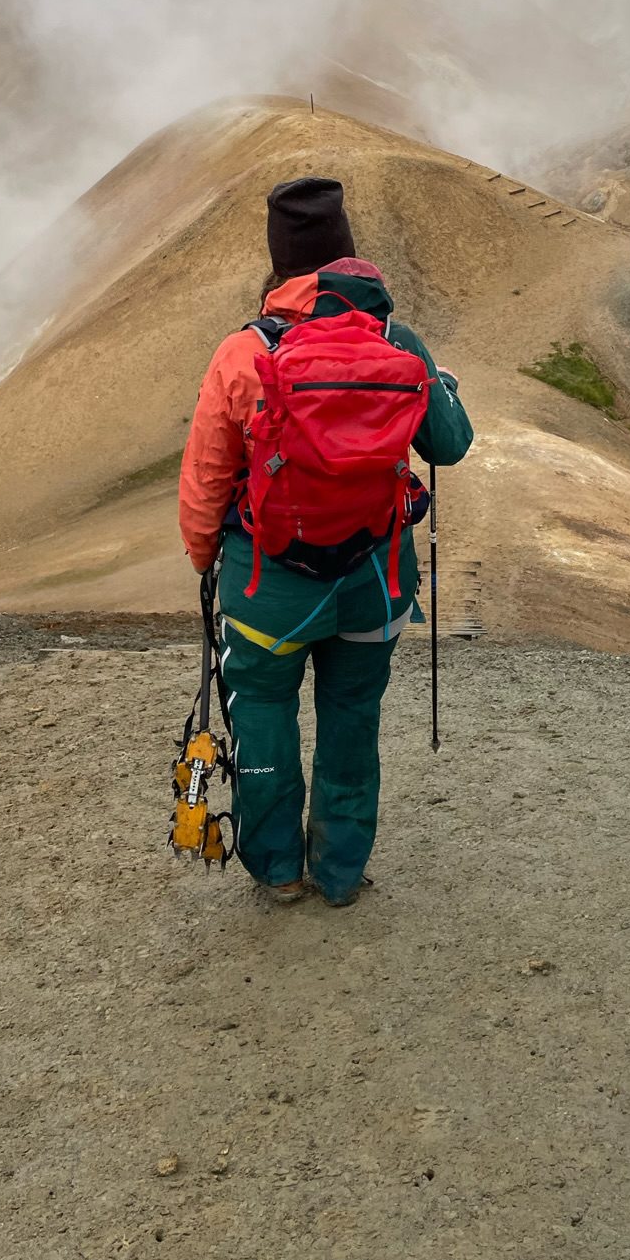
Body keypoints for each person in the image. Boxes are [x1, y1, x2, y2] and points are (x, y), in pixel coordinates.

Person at [179, 176, 473, 906]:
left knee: (265, 718)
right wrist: (445, 387)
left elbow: (206, 482)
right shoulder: (395, 338)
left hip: (266, 589)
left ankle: (278, 871)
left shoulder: (241, 354)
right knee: (352, 719)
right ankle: (341, 872)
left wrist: (206, 561)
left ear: (278, 261)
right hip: (374, 582)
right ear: (346, 253)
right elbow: (451, 441)